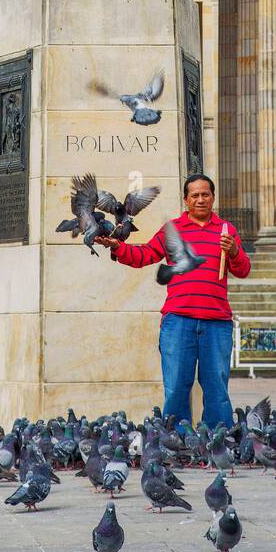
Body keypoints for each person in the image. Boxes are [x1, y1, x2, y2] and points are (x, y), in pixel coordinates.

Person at [96, 174, 250, 427]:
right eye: (195, 195)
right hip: (178, 321)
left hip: (217, 323)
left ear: (213, 197)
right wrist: (118, 247)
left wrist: (233, 251)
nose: (200, 199)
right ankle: (177, 441)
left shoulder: (227, 230)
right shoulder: (173, 229)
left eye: (205, 194)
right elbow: (145, 255)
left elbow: (243, 270)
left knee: (217, 390)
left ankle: (220, 441)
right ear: (186, 200)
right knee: (177, 387)